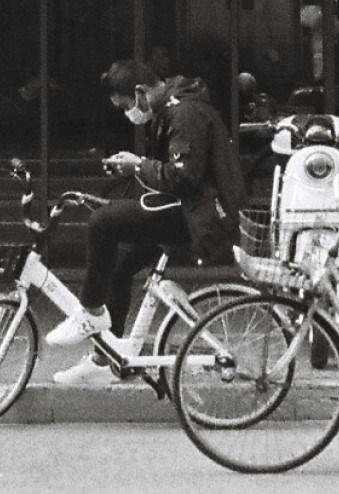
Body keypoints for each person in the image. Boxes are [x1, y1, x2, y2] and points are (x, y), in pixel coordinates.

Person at [51, 59, 247, 388]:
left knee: (102, 223)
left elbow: (184, 177)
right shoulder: (172, 109)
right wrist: (134, 168)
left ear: (141, 92)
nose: (129, 113)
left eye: (127, 105)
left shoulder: (183, 113)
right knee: (119, 268)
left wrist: (138, 165)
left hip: (201, 218)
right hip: (193, 210)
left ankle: (90, 311)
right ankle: (106, 359)